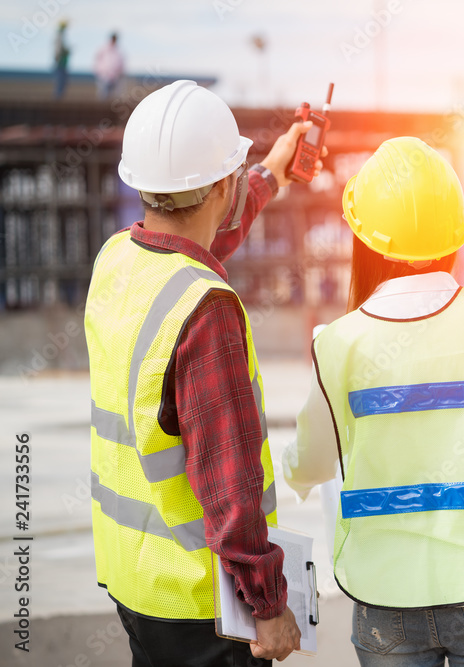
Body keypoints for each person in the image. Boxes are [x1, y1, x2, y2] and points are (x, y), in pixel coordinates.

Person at [86, 79, 326, 665]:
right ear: (223, 183)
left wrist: (274, 169)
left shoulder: (118, 258)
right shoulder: (207, 307)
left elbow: (203, 229)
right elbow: (229, 476)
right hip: (201, 605)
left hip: (134, 580)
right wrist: (267, 604)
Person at [283, 136, 464, 666]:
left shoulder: (336, 342)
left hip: (383, 591)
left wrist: (296, 473)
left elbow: (310, 464)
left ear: (366, 239)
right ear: (455, 233)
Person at [94, 32, 125, 100]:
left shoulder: (118, 50)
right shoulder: (103, 49)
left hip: (115, 76)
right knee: (103, 94)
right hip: (104, 75)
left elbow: (121, 62)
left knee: (114, 96)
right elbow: (97, 60)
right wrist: (100, 71)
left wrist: (120, 72)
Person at [54, 19, 70, 99]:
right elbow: (59, 49)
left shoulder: (60, 36)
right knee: (61, 80)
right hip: (60, 62)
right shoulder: (59, 36)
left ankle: (59, 97)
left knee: (62, 81)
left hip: (62, 62)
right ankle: (58, 98)